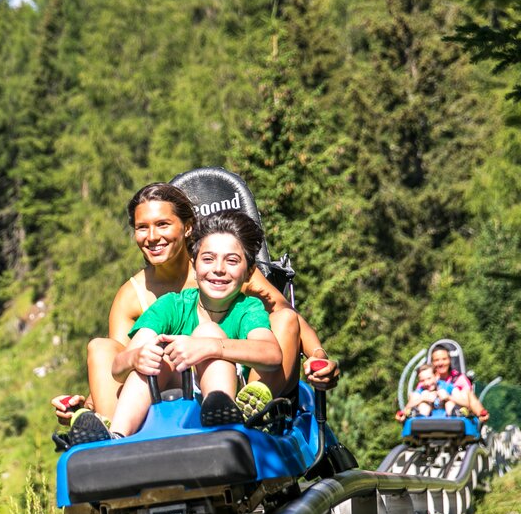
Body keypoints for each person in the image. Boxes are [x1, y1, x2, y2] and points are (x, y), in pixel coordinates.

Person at [54, 183, 339, 427]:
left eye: (162, 224)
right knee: (100, 347)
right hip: (166, 385)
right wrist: (87, 404)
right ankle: (109, 429)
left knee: (281, 319)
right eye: (142, 228)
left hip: (237, 372)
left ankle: (251, 409)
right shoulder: (132, 295)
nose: (152, 237)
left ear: (188, 227)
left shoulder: (223, 270)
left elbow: (289, 319)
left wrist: (318, 356)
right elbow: (121, 365)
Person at [65, 211, 285, 445]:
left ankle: (222, 421)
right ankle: (117, 435)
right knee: (153, 357)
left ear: (249, 271)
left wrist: (211, 347)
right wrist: (136, 358)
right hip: (167, 399)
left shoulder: (248, 308)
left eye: (231, 261)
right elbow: (118, 368)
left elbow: (272, 354)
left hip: (226, 396)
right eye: (208, 259)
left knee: (207, 332)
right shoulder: (171, 305)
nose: (219, 269)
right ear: (194, 264)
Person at [429, 345, 489, 421]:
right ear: (432, 362)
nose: (441, 363)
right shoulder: (428, 380)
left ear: (449, 360)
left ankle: (478, 414)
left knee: (466, 393)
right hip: (433, 413)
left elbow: (470, 397)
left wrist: (448, 397)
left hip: (457, 410)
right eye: (437, 360)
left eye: (444, 359)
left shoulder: (459, 378)